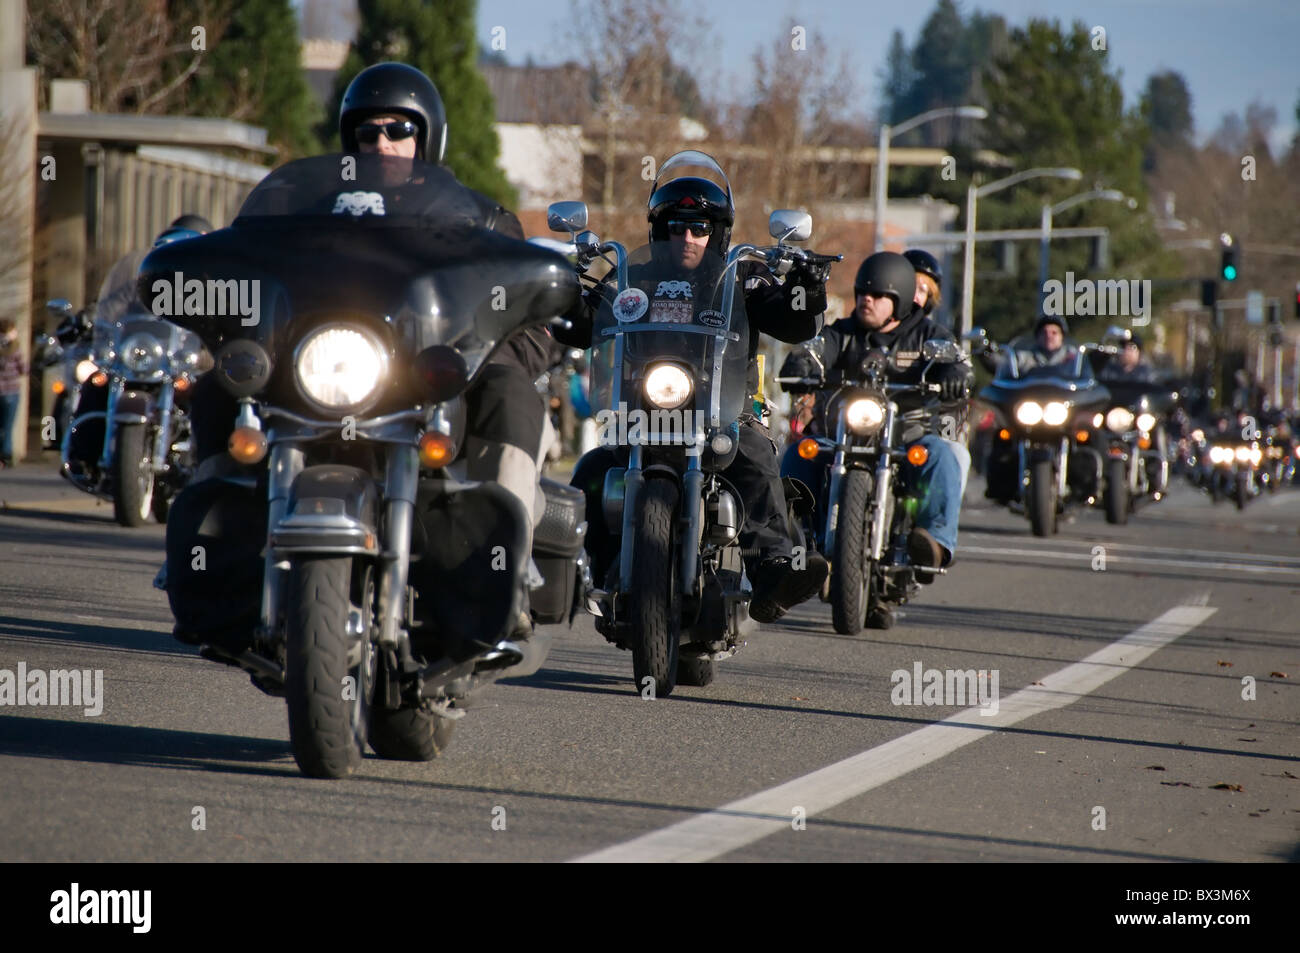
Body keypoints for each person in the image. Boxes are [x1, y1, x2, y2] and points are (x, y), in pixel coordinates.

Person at [183, 62, 557, 640]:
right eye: (368, 132)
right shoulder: (302, 211)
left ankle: (508, 566)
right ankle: (216, 556)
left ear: (426, 137)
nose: (382, 143)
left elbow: (527, 321)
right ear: (348, 140)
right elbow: (250, 275)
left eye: (398, 130)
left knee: (511, 392)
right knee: (216, 391)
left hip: (428, 379)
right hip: (323, 372)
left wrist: (482, 353)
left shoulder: (476, 220)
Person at [558, 158, 832, 624]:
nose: (687, 238)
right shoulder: (630, 278)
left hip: (722, 413)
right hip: (639, 412)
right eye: (676, 226)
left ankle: (773, 569)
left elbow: (790, 320)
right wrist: (568, 291)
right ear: (659, 230)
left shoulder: (741, 276)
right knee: (593, 469)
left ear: (717, 231)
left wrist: (805, 287)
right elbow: (584, 325)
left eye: (699, 227)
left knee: (756, 454)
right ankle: (574, 574)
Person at [779, 252, 972, 626]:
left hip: (908, 438)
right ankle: (789, 542)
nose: (867, 300)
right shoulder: (842, 333)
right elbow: (813, 349)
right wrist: (800, 363)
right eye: (863, 293)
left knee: (943, 455)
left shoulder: (929, 335)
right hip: (843, 433)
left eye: (879, 295)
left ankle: (934, 542)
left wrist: (955, 374)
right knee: (797, 456)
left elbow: (958, 361)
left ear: (900, 298)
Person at [66, 216, 213, 472]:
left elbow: (223, 322)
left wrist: (212, 348)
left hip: (182, 363)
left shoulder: (212, 289)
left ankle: (208, 462)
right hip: (137, 357)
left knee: (211, 395)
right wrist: (95, 319)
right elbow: (113, 306)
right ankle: (83, 453)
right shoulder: (143, 283)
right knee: (97, 382)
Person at [0, 319, 28, 468]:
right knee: (8, 425)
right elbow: (24, 369)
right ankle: (7, 455)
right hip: (11, 391)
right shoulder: (14, 347)